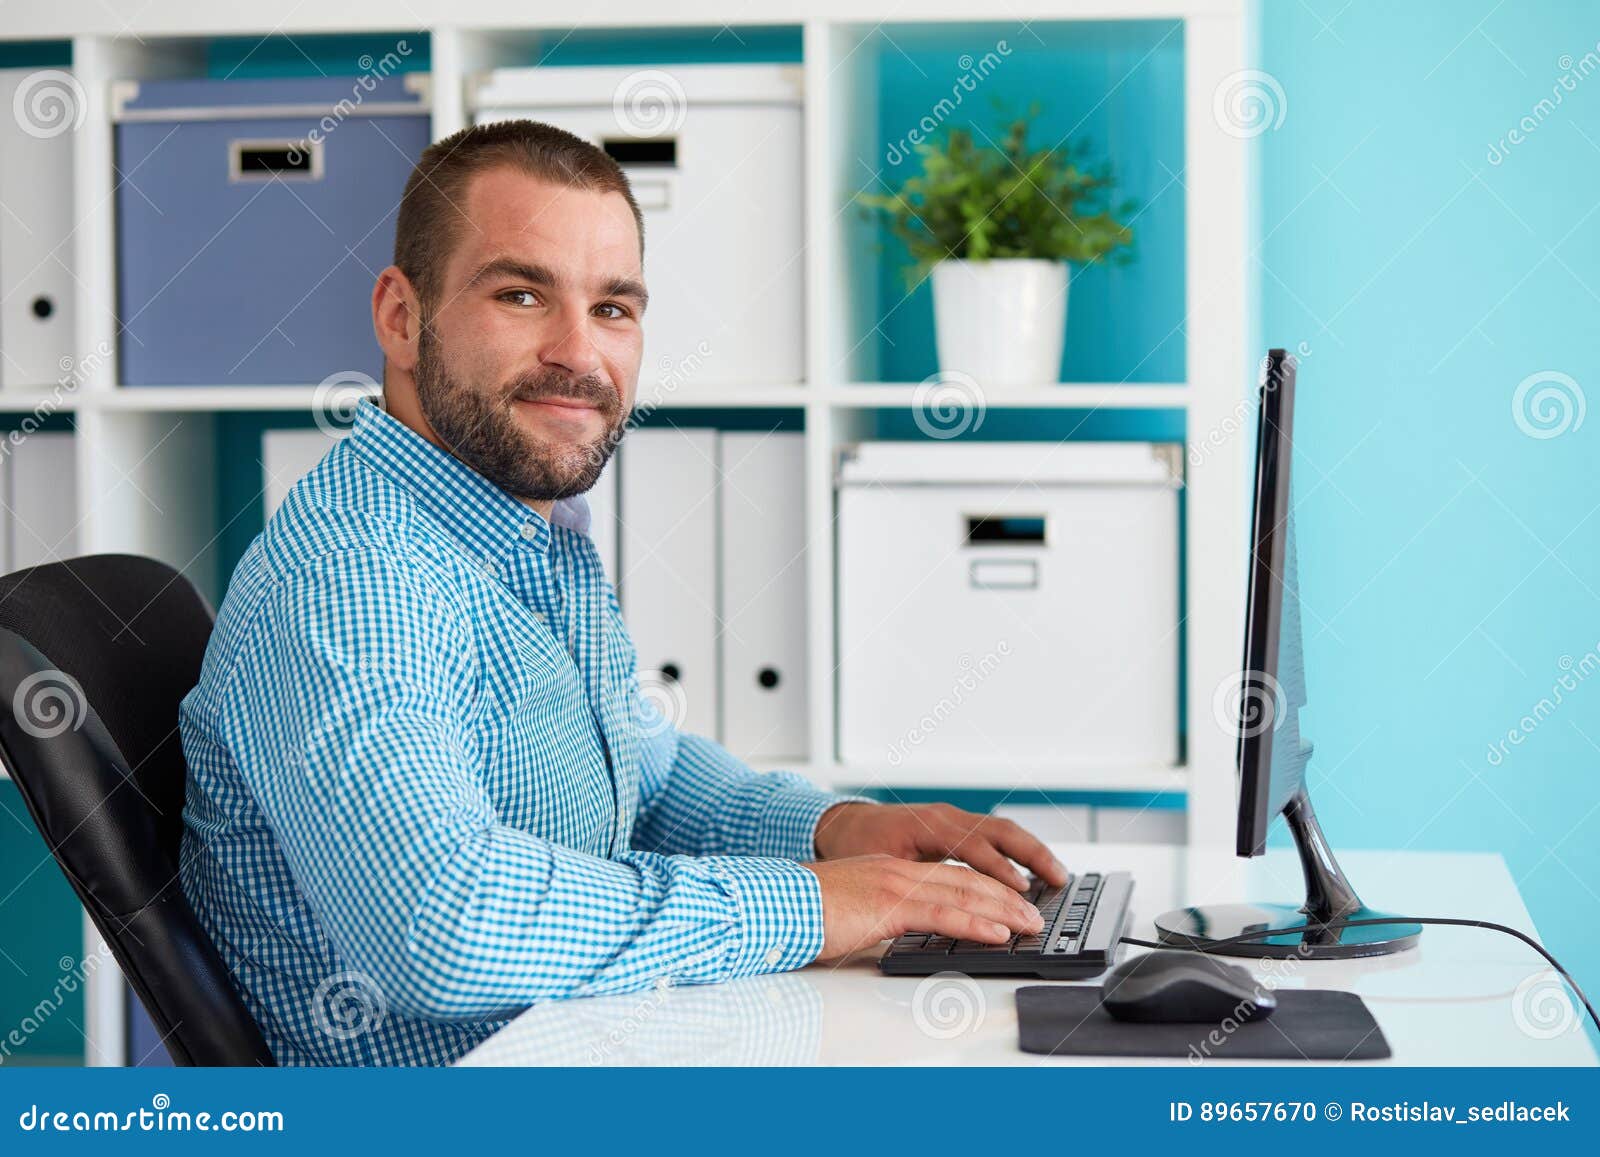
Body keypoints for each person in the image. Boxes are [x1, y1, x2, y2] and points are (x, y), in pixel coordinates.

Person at [178, 119, 1066, 1066]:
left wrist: (842, 830)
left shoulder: (524, 527)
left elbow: (642, 771)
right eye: (521, 294)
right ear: (401, 317)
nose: (580, 353)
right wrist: (822, 903)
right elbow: (445, 921)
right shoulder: (355, 574)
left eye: (613, 308)